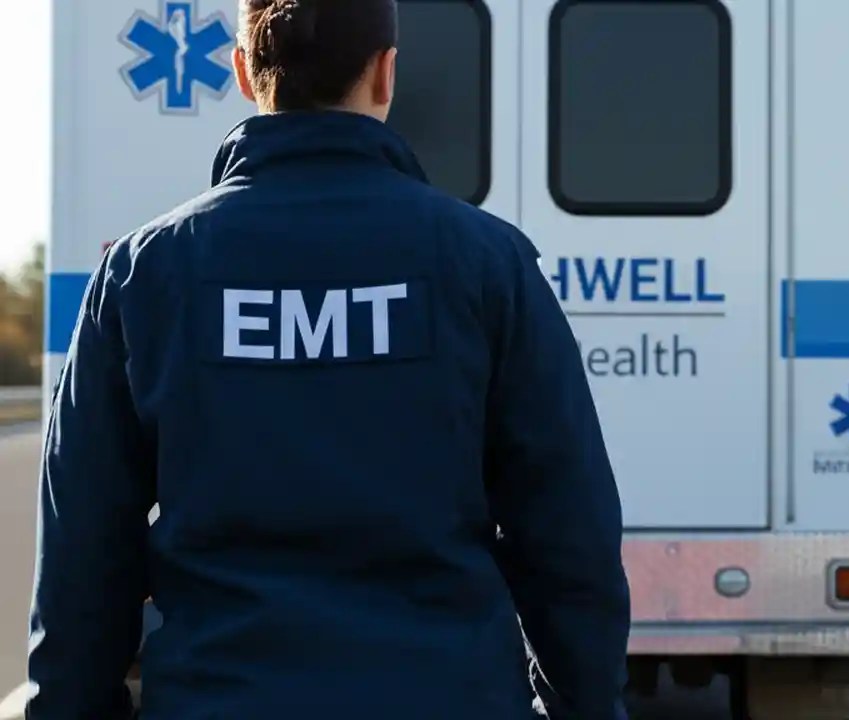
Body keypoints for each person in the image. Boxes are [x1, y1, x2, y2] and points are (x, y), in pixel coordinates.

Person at [25, 0, 631, 717]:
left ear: (246, 74)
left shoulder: (144, 274)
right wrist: (587, 706)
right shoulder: (485, 264)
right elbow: (568, 532)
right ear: (387, 73)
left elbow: (82, 555)